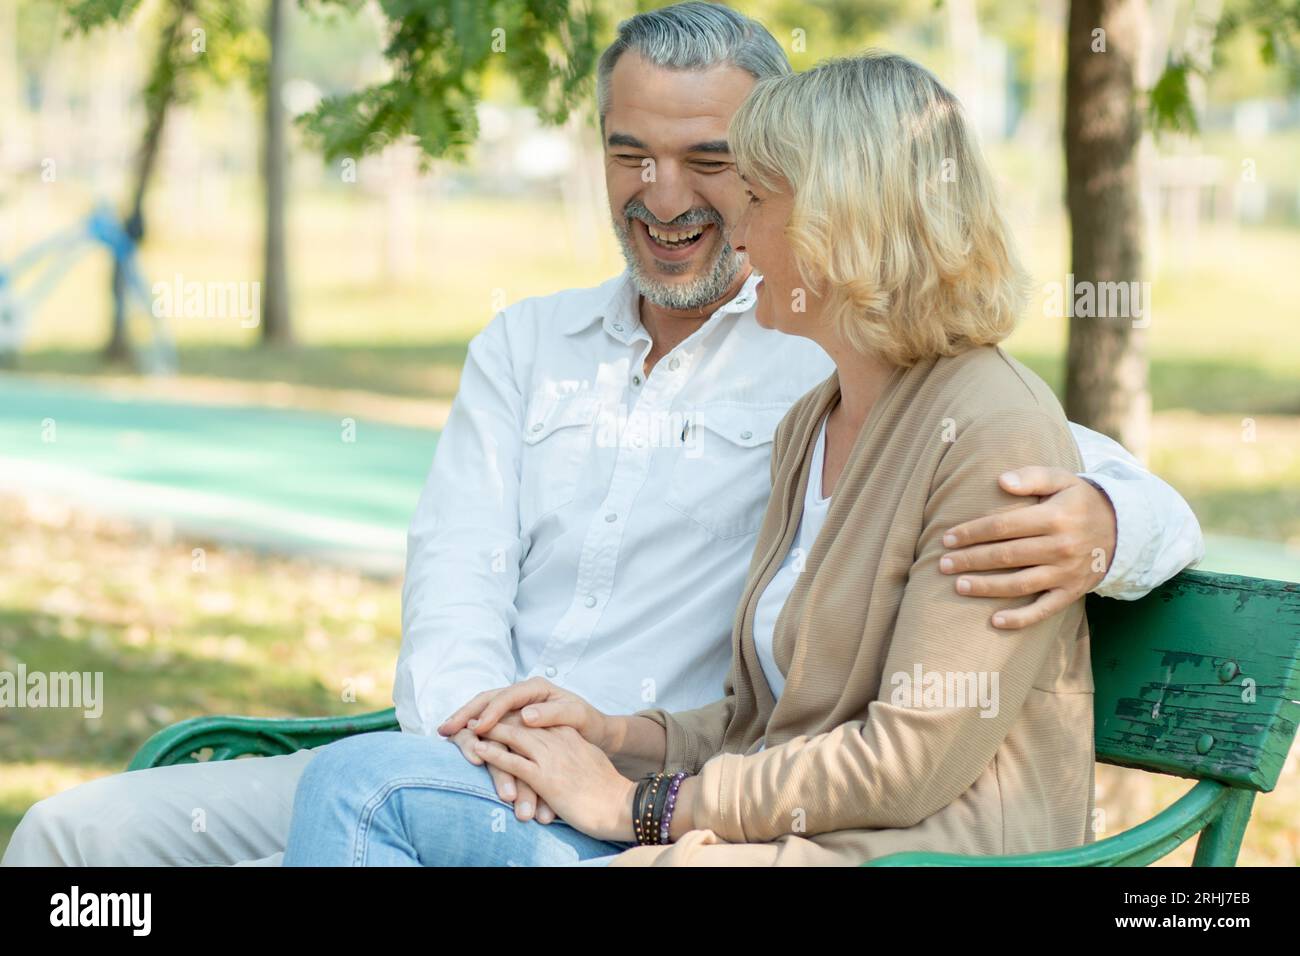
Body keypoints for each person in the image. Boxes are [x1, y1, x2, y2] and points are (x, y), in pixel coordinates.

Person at [2, 2, 1200, 868]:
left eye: (720, 169)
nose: (671, 198)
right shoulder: (539, 348)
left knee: (368, 801)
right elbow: (454, 583)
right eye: (631, 151)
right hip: (504, 757)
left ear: (813, 202)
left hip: (669, 802)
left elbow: (1045, 469)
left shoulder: (834, 350)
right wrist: (523, 748)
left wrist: (1106, 521)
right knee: (71, 843)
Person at [284, 48, 1137, 866]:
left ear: (843, 225)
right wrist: (613, 734)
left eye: (758, 197)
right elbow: (759, 720)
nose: (739, 228)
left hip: (913, 857)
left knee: (364, 793)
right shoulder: (819, 419)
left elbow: (905, 764)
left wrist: (636, 807)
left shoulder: (989, 423)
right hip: (764, 842)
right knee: (360, 789)